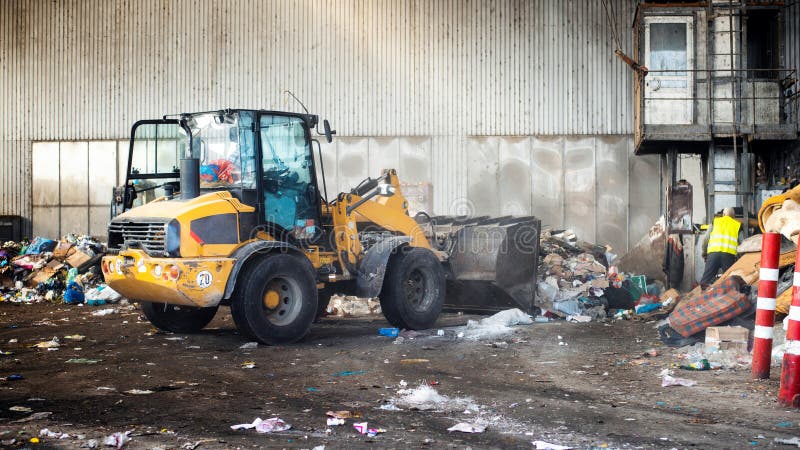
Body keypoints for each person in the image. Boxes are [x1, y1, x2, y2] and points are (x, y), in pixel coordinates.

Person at [700, 207, 744, 287]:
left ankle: (706, 297)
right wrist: (741, 258)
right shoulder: (737, 225)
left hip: (713, 254)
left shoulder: (715, 222)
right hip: (728, 256)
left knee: (705, 282)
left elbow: (706, 239)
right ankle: (728, 297)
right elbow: (743, 243)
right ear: (733, 216)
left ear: (723, 214)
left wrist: (704, 253)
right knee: (730, 282)